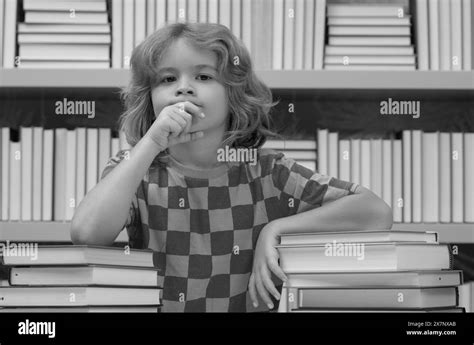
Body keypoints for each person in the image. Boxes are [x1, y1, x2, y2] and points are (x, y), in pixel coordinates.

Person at [71, 22, 393, 312]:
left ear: (234, 95)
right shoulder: (135, 170)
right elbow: (87, 234)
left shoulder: (269, 173)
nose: (184, 87)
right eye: (168, 79)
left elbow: (375, 212)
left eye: (204, 76)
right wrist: (150, 144)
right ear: (150, 98)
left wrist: (277, 229)